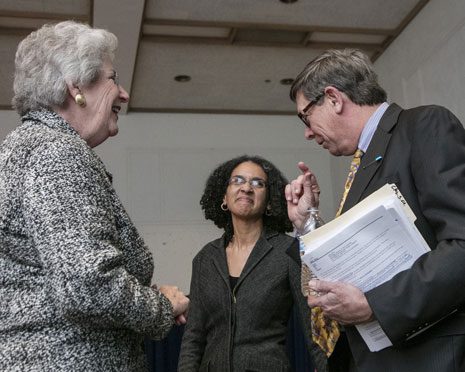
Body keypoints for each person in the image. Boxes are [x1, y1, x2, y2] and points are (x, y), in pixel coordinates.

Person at [0, 21, 189, 371]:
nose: (123, 93)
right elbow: (89, 287)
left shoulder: (23, 148)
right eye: (112, 78)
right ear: (75, 87)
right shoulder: (57, 153)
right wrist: (161, 305)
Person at [286, 48, 465, 372]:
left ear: (333, 98)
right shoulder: (363, 162)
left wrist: (374, 304)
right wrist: (307, 222)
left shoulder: (424, 126)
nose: (307, 132)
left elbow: (462, 245)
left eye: (305, 116)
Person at [177, 155, 326, 371]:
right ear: (224, 197)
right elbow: (193, 338)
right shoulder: (205, 259)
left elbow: (316, 329)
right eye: (237, 181)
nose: (246, 188)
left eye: (257, 183)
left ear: (269, 202)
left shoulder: (287, 252)